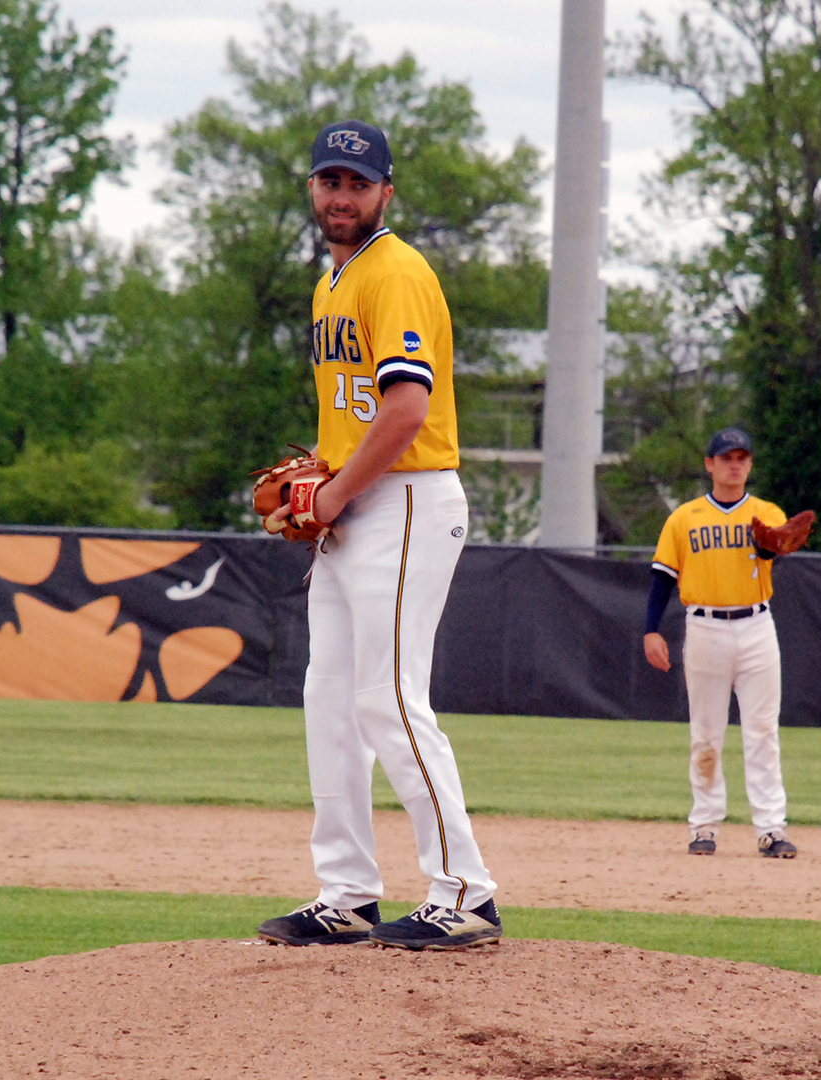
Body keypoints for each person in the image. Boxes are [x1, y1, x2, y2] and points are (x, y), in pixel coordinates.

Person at [255, 119, 500, 950]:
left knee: (388, 698)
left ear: (385, 191)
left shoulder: (393, 272)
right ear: (313, 189)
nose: (341, 196)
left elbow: (406, 410)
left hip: (406, 501)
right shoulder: (332, 283)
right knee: (329, 700)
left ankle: (466, 892)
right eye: (329, 181)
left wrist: (329, 498)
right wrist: (322, 487)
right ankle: (348, 893)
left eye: (357, 183)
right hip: (358, 508)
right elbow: (356, 414)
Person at [642, 426, 802, 859]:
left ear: (749, 464)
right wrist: (651, 628)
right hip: (705, 628)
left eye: (742, 458)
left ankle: (771, 828)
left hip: (756, 626)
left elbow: (771, 551)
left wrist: (771, 548)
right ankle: (704, 826)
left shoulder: (766, 511)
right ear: (710, 464)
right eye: (726, 457)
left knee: (763, 731)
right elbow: (662, 577)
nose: (735, 464)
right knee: (706, 733)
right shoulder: (685, 517)